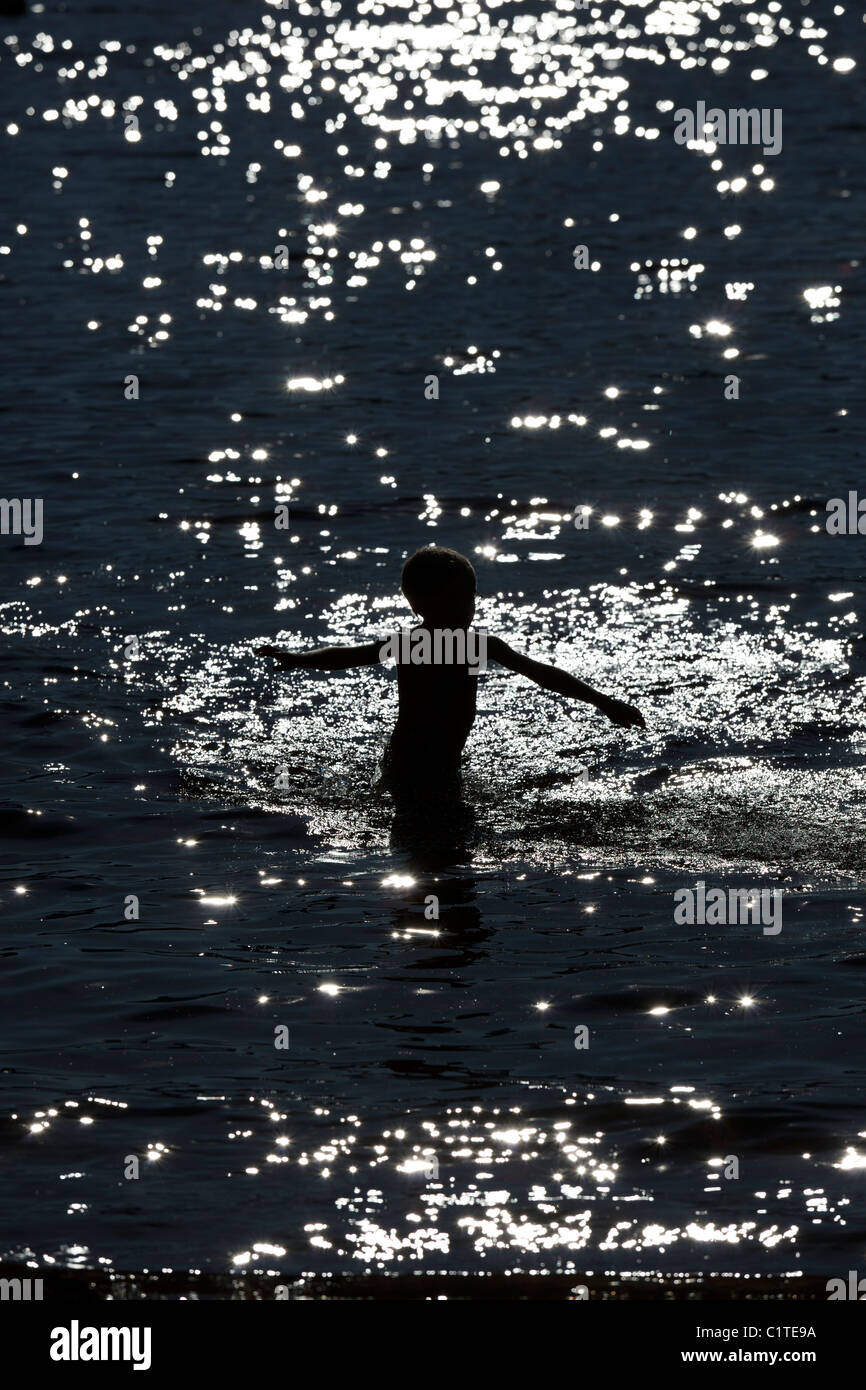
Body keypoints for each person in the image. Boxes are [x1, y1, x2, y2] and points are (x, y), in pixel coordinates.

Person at [255, 545, 645, 785]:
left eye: (470, 599)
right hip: (409, 762)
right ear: (419, 605)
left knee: (441, 838)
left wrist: (601, 701)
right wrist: (299, 659)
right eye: (457, 600)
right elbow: (347, 655)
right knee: (434, 838)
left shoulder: (477, 644)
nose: (468, 608)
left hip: (442, 763)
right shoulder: (411, 644)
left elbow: (542, 674)